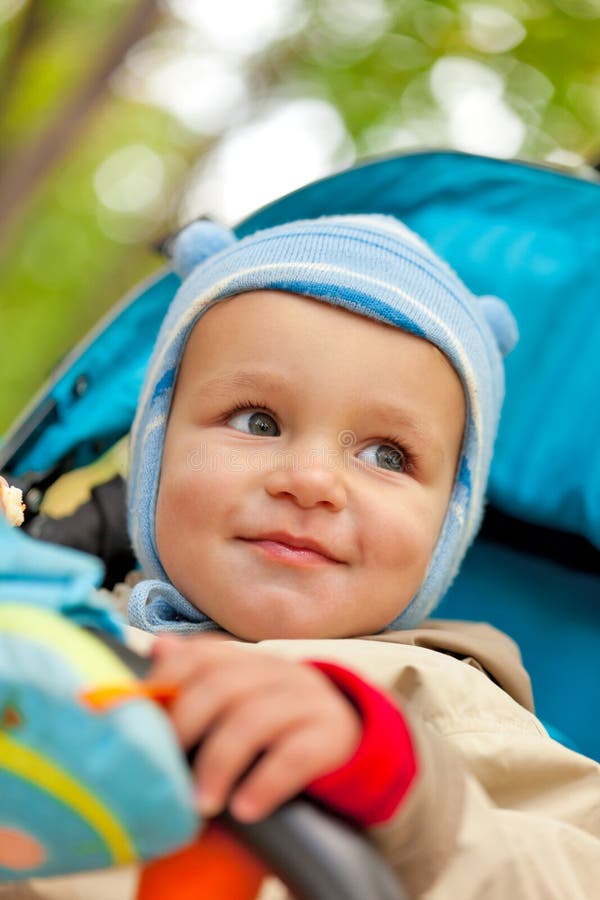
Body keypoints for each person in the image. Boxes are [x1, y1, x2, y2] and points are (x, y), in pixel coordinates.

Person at [121, 213, 600, 897]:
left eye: (387, 455)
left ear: (449, 524)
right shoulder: (62, 630)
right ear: (157, 449)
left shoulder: (446, 703)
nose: (312, 482)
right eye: (259, 421)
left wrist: (398, 791)